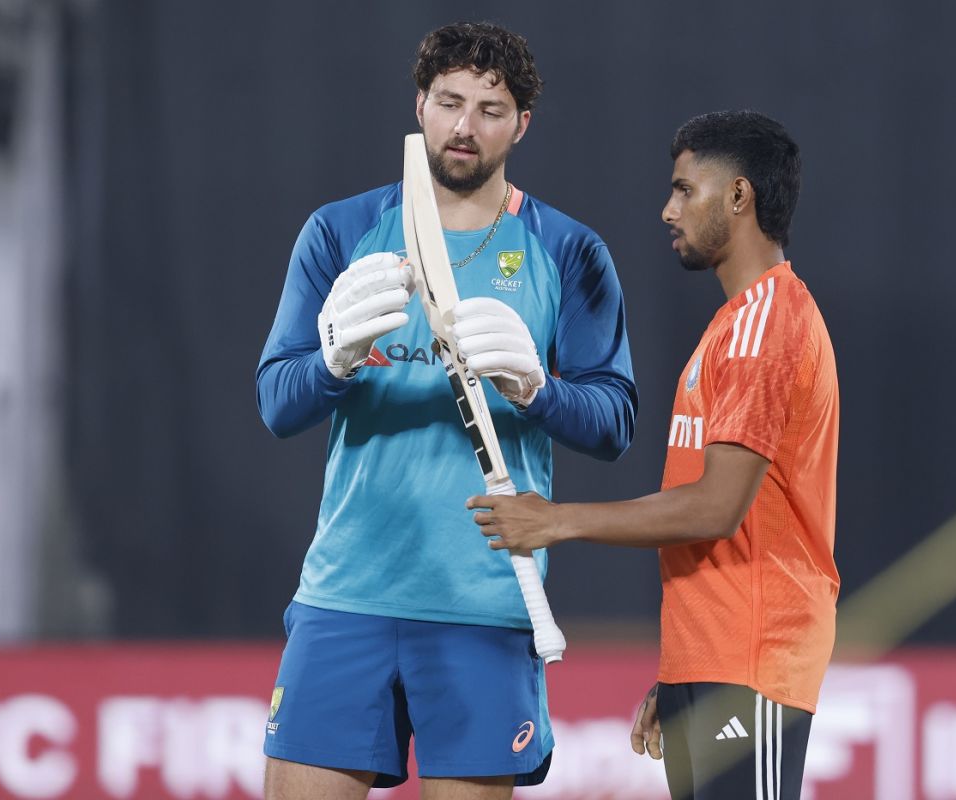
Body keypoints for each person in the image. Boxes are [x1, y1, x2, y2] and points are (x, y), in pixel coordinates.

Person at [255, 22, 637, 800]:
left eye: (490, 110)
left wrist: (537, 389)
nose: (465, 126)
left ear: (521, 124)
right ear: (419, 106)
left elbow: (614, 423)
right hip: (346, 594)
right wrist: (331, 363)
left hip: (485, 604)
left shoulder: (567, 249)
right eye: (449, 102)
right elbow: (276, 404)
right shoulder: (341, 231)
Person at [468, 110, 839, 800]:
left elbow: (716, 508)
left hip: (752, 658)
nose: (668, 210)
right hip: (714, 659)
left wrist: (556, 520)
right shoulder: (736, 323)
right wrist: (683, 670)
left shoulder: (767, 324)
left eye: (685, 190)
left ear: (739, 196)